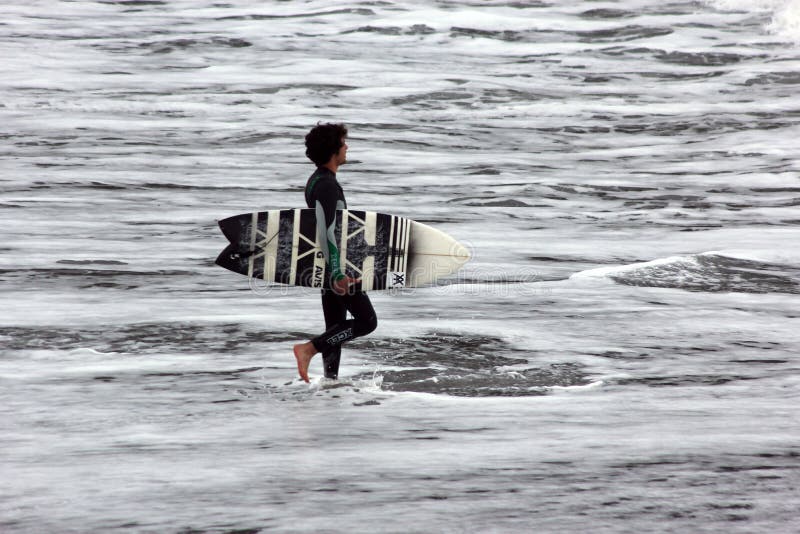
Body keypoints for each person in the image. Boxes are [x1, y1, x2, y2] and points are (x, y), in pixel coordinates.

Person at [292, 123, 378, 383]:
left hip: (328, 265)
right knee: (366, 322)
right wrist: (338, 273)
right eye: (343, 143)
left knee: (336, 327)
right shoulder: (326, 186)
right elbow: (327, 232)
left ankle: (331, 384)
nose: (347, 147)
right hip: (335, 268)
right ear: (334, 150)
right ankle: (308, 349)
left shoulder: (317, 180)